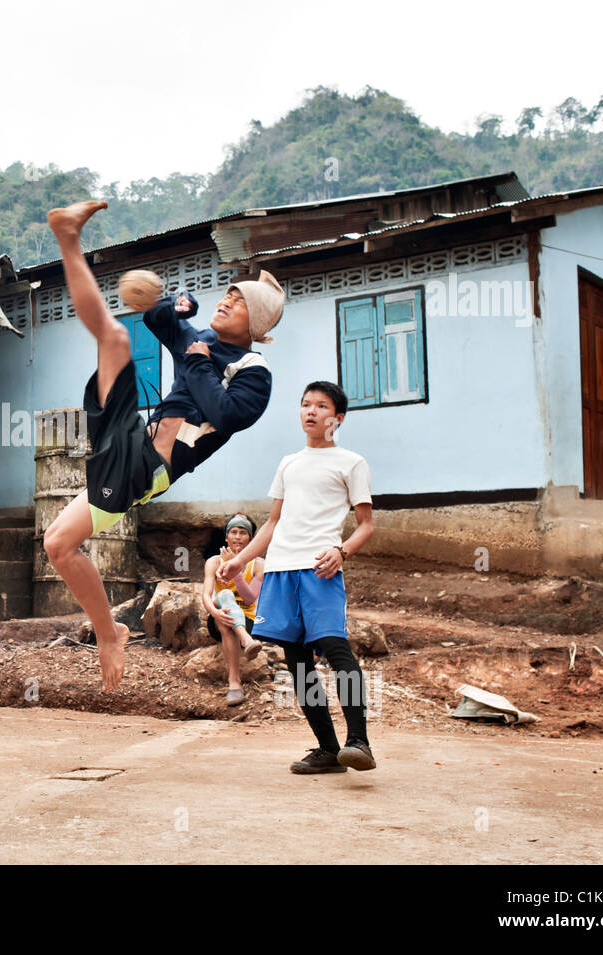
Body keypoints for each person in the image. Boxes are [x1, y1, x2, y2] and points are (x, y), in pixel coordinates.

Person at [42, 200, 283, 691]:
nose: (226, 301)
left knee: (58, 545)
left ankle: (110, 634)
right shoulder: (200, 341)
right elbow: (152, 316)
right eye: (227, 294)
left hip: (148, 468)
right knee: (113, 337)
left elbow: (227, 414)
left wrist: (195, 360)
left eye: (237, 302)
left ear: (254, 324)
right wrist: (176, 307)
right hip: (133, 437)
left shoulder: (253, 373)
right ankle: (67, 235)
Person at [218, 381, 376, 772]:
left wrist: (341, 552)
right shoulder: (289, 463)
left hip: (319, 570)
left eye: (321, 406)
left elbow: (366, 525)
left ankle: (359, 741)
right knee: (299, 663)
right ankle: (328, 750)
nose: (310, 411)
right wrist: (242, 561)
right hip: (281, 570)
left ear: (337, 418)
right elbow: (272, 523)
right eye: (305, 404)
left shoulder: (351, 462)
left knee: (337, 651)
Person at [201, 513, 264, 705]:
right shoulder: (213, 562)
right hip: (220, 616)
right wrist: (215, 612)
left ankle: (234, 684)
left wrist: (236, 572)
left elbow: (250, 597)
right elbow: (205, 594)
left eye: (243, 533)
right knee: (224, 598)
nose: (237, 536)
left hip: (248, 620)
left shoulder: (258, 564)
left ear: (251, 539)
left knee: (227, 613)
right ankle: (235, 679)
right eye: (233, 532)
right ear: (226, 538)